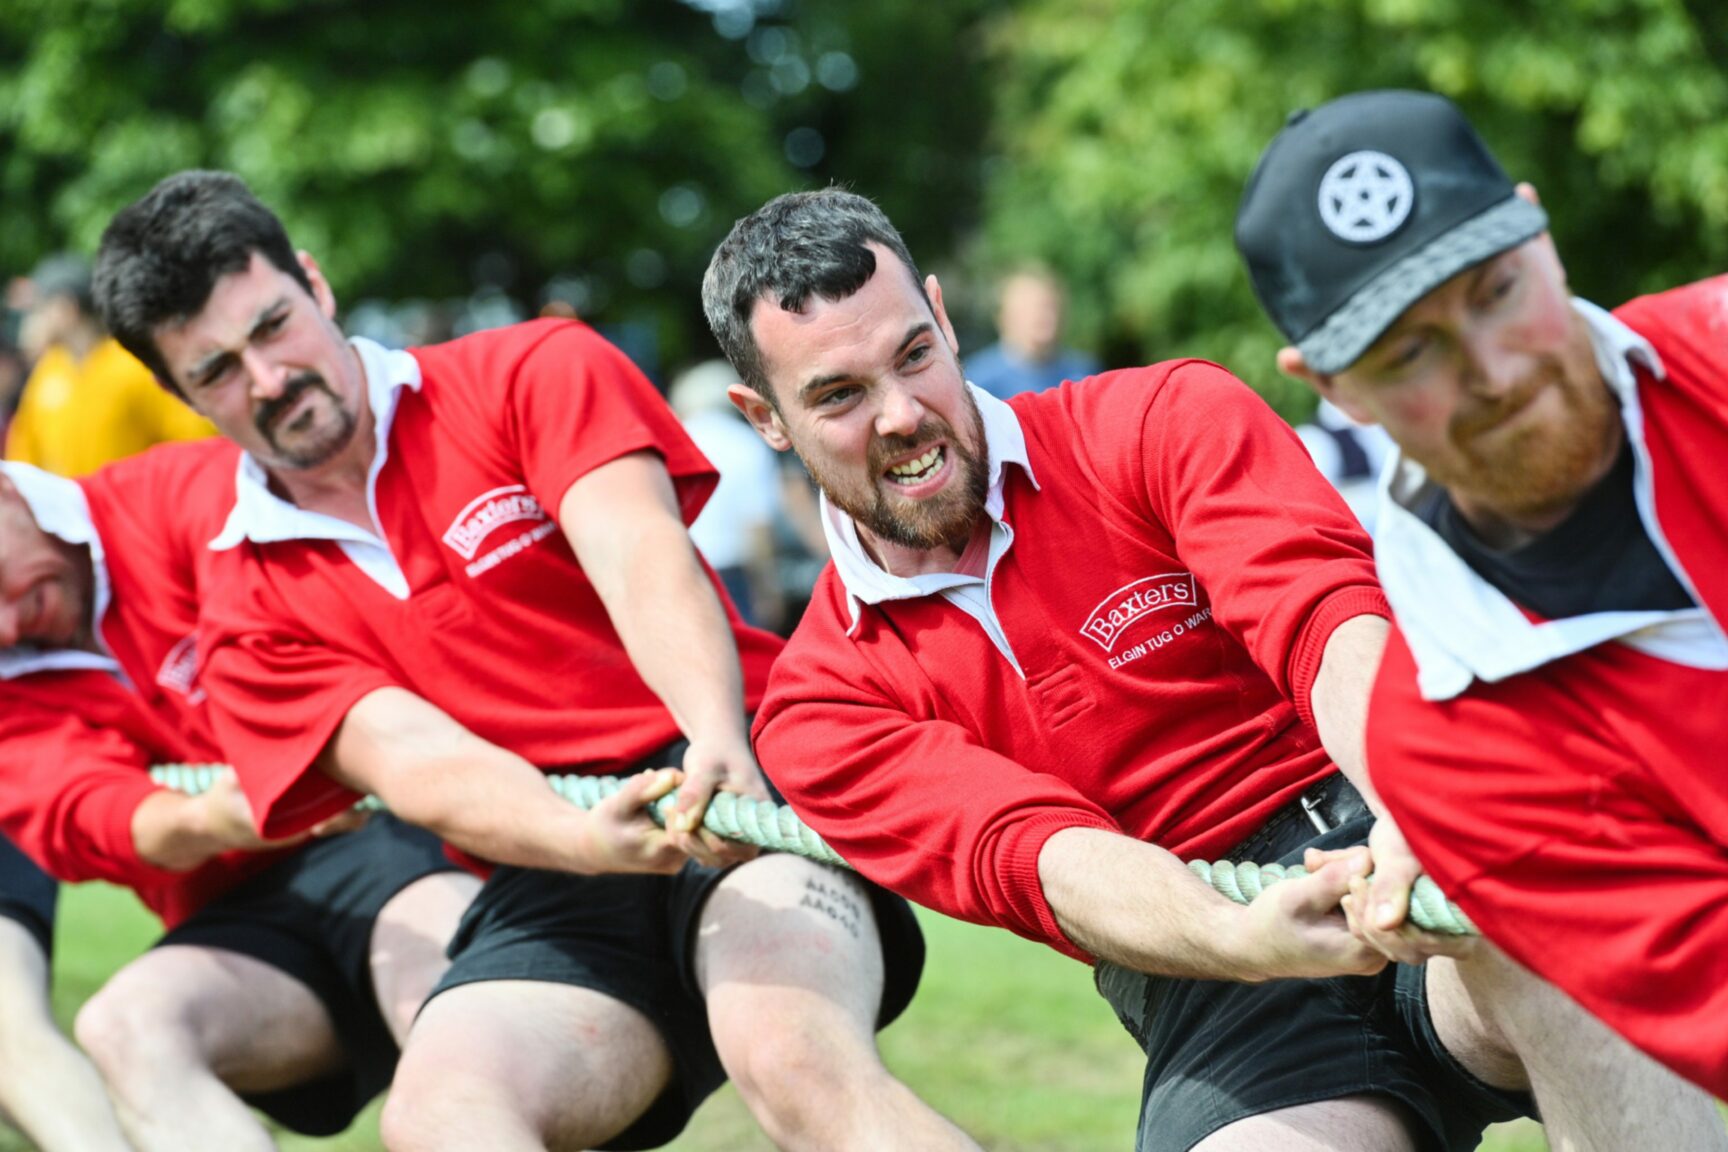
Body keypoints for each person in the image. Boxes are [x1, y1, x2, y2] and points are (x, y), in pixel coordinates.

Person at [700, 187, 1728, 1152]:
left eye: (913, 355)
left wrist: (1425, 811)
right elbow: (1042, 860)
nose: (902, 415)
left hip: (1388, 816)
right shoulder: (819, 706)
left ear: (942, 315)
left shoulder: (1159, 418)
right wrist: (1234, 935)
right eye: (839, 395)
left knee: (1556, 950)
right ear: (764, 418)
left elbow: (1325, 625)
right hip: (1209, 971)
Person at [93, 170, 967, 1152]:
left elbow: (639, 554)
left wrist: (718, 737)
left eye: (272, 327)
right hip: (554, 862)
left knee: (794, 1062)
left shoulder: (530, 368)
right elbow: (421, 767)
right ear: (177, 396)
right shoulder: (245, 609)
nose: (268, 377)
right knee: (438, 1118)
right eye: (215, 370)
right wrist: (586, 841)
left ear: (315, 283)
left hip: (741, 775)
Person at [1238, 88, 1728, 1099]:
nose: (1496, 369)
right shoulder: (1449, 754)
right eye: (1412, 351)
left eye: (1499, 289)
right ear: (1330, 387)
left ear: (1539, 228)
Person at [0, 444, 478, 1152]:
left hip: (390, 832)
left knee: (453, 1031)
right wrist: (210, 818)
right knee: (124, 1028)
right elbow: (87, 812)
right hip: (246, 910)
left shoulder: (184, 492)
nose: (6, 630)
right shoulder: (11, 684)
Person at [6, 254, 212, 476]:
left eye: (40, 310)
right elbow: (23, 456)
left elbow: (194, 439)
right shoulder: (48, 372)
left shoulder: (130, 364)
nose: (32, 322)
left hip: (136, 506)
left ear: (67, 309)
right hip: (76, 508)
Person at [669, 359, 785, 628]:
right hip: (736, 575)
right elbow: (757, 525)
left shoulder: (678, 441)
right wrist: (768, 587)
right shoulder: (745, 443)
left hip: (684, 567)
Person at [964, 264, 1100, 400]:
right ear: (1004, 317)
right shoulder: (978, 382)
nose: (1042, 315)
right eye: (1030, 308)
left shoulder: (1084, 373)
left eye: (1049, 306)